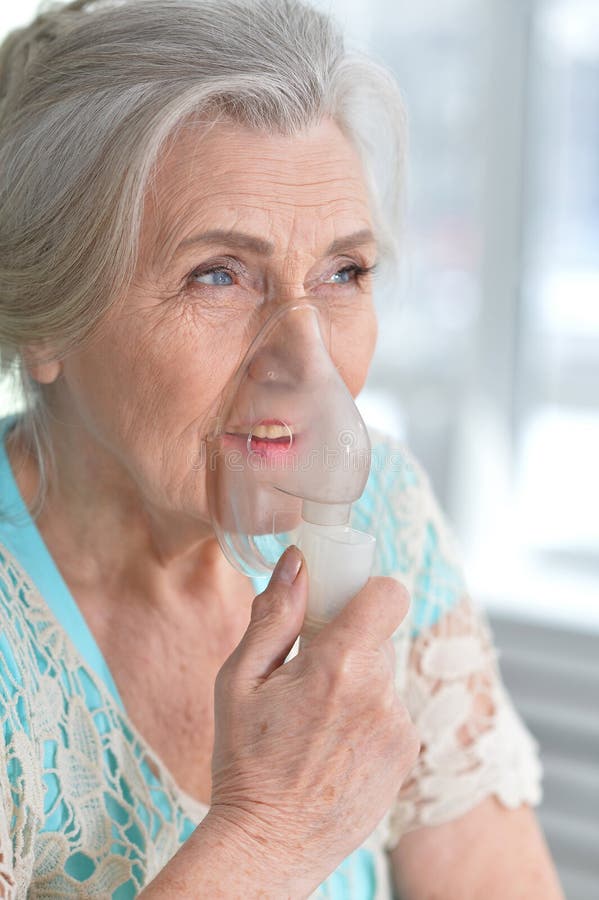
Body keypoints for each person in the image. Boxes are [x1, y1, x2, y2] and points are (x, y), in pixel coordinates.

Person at [0, 0, 565, 897]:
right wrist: (270, 833)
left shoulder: (385, 511)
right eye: (217, 275)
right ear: (45, 320)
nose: (309, 365)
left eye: (344, 272)